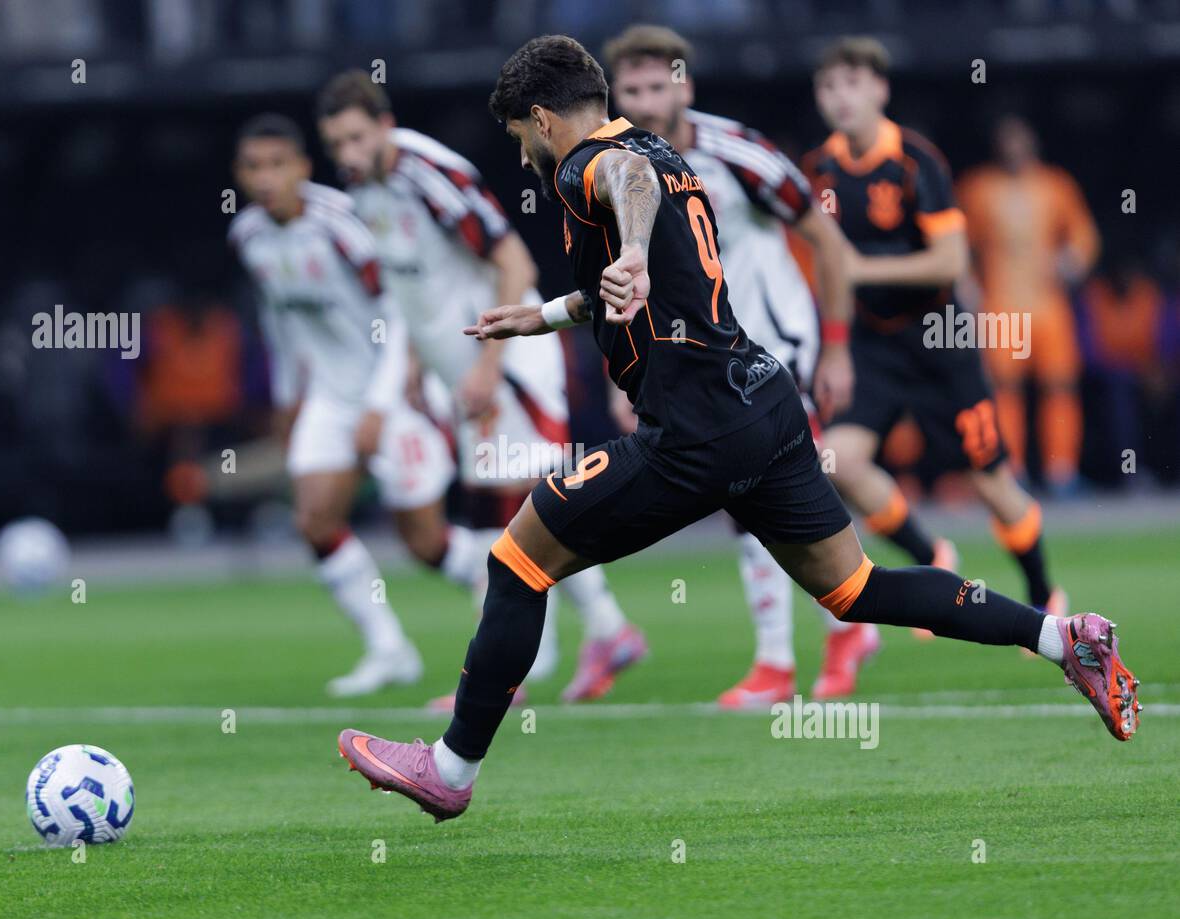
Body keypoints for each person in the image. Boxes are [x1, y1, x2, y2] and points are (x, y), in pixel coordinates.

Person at [336, 36, 1139, 822]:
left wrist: (638, 251)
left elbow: (629, 190)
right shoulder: (667, 150)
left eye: (521, 140)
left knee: (517, 559)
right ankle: (1064, 639)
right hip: (765, 404)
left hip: (695, 431)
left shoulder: (593, 164)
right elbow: (641, 266)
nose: (523, 159)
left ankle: (448, 770)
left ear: (544, 121)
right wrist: (544, 316)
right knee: (855, 588)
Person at [317, 71, 646, 704]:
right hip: (464, 373)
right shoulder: (365, 186)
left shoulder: (427, 173)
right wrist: (416, 365)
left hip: (505, 369)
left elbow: (514, 261)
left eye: (358, 138)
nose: (349, 155)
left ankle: (506, 676)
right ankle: (604, 630)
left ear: (384, 125)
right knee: (526, 518)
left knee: (501, 527)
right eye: (337, 144)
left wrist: (490, 367)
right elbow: (418, 287)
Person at [603, 23, 878, 707]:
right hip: (706, 358)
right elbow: (630, 280)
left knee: (755, 493)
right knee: (763, 499)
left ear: (683, 85)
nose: (642, 100)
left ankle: (782, 665)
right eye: (628, 89)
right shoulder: (615, 168)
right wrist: (628, 377)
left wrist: (837, 346)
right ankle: (836, 633)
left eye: (654, 85)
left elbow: (827, 240)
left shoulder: (737, 152)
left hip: (775, 343)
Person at [803, 37, 1065, 625]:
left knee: (992, 483)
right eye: (828, 86)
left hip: (940, 338)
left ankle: (1045, 599)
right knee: (837, 460)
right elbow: (828, 265)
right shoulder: (819, 168)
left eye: (851, 83)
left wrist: (863, 268)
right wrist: (836, 347)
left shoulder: (917, 162)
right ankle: (932, 556)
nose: (840, 97)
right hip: (872, 343)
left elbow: (950, 260)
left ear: (879, 88)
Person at [231, 113, 454, 696]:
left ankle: (546, 600)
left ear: (302, 168)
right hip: (330, 397)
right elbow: (280, 320)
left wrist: (380, 405)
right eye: (253, 167)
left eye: (277, 165)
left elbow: (399, 309)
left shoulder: (342, 224)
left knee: (427, 544)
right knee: (314, 520)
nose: (265, 178)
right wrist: (287, 397)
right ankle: (389, 648)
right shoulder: (249, 236)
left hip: (392, 394)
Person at [957, 115, 1099, 494]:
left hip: (1048, 303)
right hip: (1001, 303)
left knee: (1060, 387)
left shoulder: (1056, 185)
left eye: (1020, 139)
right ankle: (1012, 472)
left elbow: (1084, 235)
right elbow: (956, 241)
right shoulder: (978, 187)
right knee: (1005, 390)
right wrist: (965, 282)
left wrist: (1074, 258)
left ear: (1032, 143)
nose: (1014, 147)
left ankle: (1062, 473)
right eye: (1007, 140)